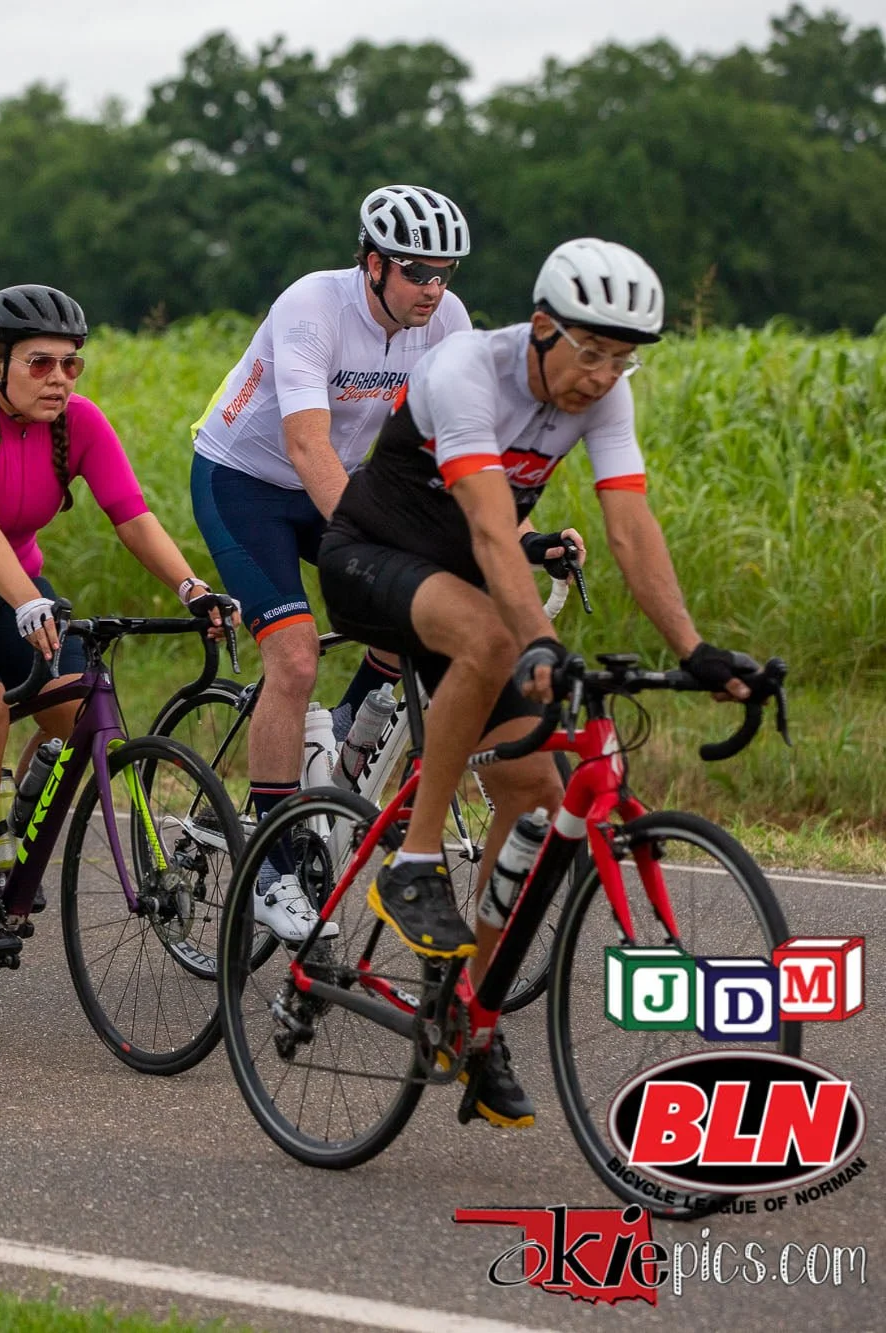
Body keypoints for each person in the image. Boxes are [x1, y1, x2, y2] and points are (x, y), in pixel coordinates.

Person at [317, 238, 761, 1127]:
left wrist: (698, 646)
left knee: (535, 796)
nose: (603, 375)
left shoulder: (604, 395)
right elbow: (488, 533)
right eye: (590, 352)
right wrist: (539, 640)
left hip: (464, 582)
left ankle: (470, 1021)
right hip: (372, 558)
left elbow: (629, 526)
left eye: (621, 358)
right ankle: (411, 862)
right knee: (492, 634)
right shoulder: (467, 372)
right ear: (544, 327)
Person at [0, 284, 230, 961]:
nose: (59, 378)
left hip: (11, 584)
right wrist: (26, 599)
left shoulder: (80, 424)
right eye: (40, 363)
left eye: (70, 364)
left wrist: (191, 587)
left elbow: (133, 517)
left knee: (77, 715)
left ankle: (14, 836)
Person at [187, 184, 472, 943]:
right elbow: (306, 445)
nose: (433, 288)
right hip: (246, 481)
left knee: (421, 605)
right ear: (373, 264)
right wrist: (378, 542)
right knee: (294, 656)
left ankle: (351, 736)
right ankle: (271, 864)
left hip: (342, 483)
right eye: (417, 271)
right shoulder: (312, 307)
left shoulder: (446, 320)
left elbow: (461, 442)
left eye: (445, 272)